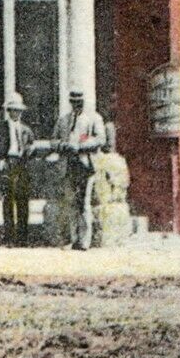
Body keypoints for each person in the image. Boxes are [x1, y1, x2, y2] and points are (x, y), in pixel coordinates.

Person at [52, 87, 107, 251]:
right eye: (74, 102)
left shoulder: (93, 119)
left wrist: (81, 146)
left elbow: (100, 139)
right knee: (70, 203)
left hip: (85, 165)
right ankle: (73, 238)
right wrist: (63, 145)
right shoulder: (63, 120)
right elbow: (53, 140)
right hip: (68, 165)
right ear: (70, 102)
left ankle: (84, 241)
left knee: (84, 203)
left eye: (80, 102)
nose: (77, 105)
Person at [0, 91, 35, 247]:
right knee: (8, 201)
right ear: (8, 111)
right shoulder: (1, 130)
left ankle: (23, 237)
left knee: (23, 201)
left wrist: (29, 151)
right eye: (13, 110)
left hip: (21, 165)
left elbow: (31, 148)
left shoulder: (26, 130)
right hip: (7, 164)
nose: (16, 114)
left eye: (19, 111)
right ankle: (9, 236)